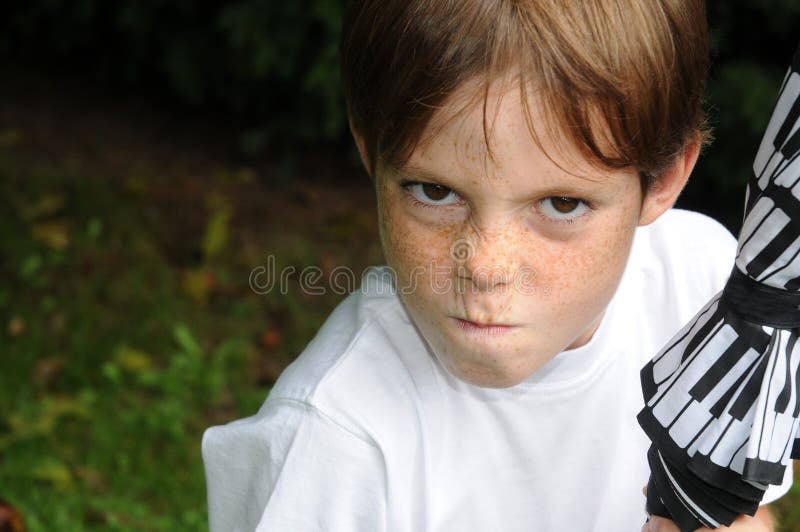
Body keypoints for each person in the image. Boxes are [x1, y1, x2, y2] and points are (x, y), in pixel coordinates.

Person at [202, 1, 793, 530]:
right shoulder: (333, 448)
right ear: (369, 149)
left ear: (663, 179)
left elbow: (746, 503)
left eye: (561, 204)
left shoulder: (707, 288)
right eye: (434, 192)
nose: (485, 267)